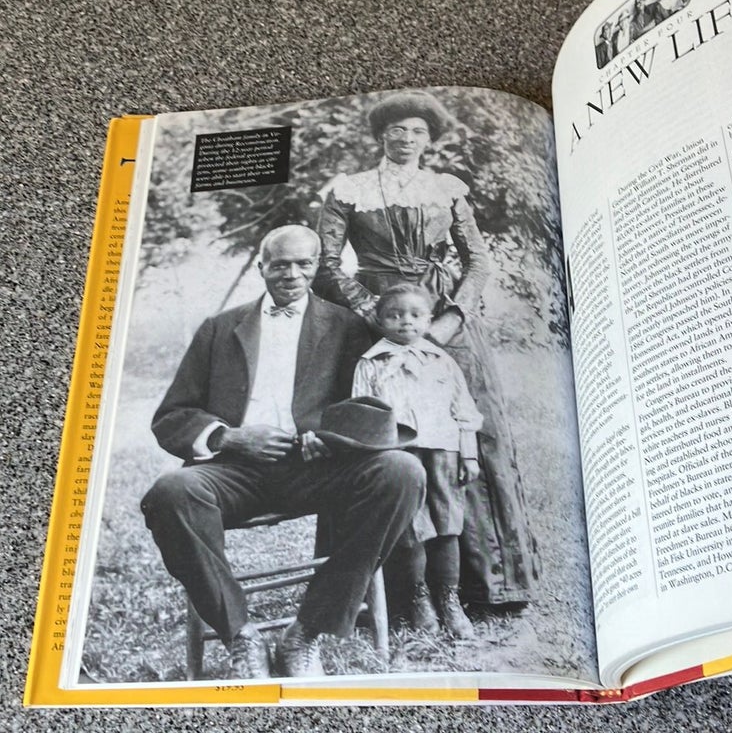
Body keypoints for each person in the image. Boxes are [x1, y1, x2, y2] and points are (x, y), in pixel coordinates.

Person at [140, 225, 426, 680]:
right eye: (280, 264)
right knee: (171, 491)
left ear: (317, 267)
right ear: (261, 267)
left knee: (401, 472)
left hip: (316, 469)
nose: (291, 273)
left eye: (303, 263)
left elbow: (369, 407)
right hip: (233, 472)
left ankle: (307, 631)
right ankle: (241, 637)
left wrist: (329, 437)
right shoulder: (219, 328)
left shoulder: (346, 326)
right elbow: (171, 417)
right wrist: (227, 438)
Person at [314, 90, 538, 610]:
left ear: (429, 140)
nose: (406, 139)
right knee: (383, 438)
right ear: (380, 136)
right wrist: (375, 313)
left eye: (417, 131)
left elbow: (477, 261)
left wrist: (449, 320)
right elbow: (327, 265)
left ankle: (488, 587)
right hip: (378, 320)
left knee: (467, 437)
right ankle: (389, 592)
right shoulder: (350, 189)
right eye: (397, 130)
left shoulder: (447, 189)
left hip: (445, 319)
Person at [352, 283, 484, 638]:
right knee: (412, 530)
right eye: (394, 315)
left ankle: (450, 601)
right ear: (380, 321)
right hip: (400, 456)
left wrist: (468, 454)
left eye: (414, 315)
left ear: (428, 320)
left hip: (443, 451)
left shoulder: (443, 360)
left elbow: (464, 411)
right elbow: (363, 416)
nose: (405, 322)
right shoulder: (370, 364)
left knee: (447, 526)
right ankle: (419, 599)